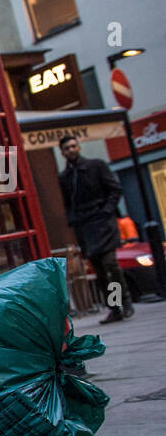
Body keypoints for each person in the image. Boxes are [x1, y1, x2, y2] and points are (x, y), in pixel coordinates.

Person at [58, 136, 134, 323]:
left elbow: (115, 189)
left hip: (102, 222)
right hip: (85, 226)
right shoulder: (64, 177)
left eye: (74, 146)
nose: (71, 150)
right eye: (67, 148)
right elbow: (67, 203)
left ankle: (124, 301)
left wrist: (107, 211)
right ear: (62, 152)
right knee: (99, 270)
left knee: (110, 264)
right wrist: (72, 220)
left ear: (79, 147)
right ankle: (114, 308)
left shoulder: (97, 165)